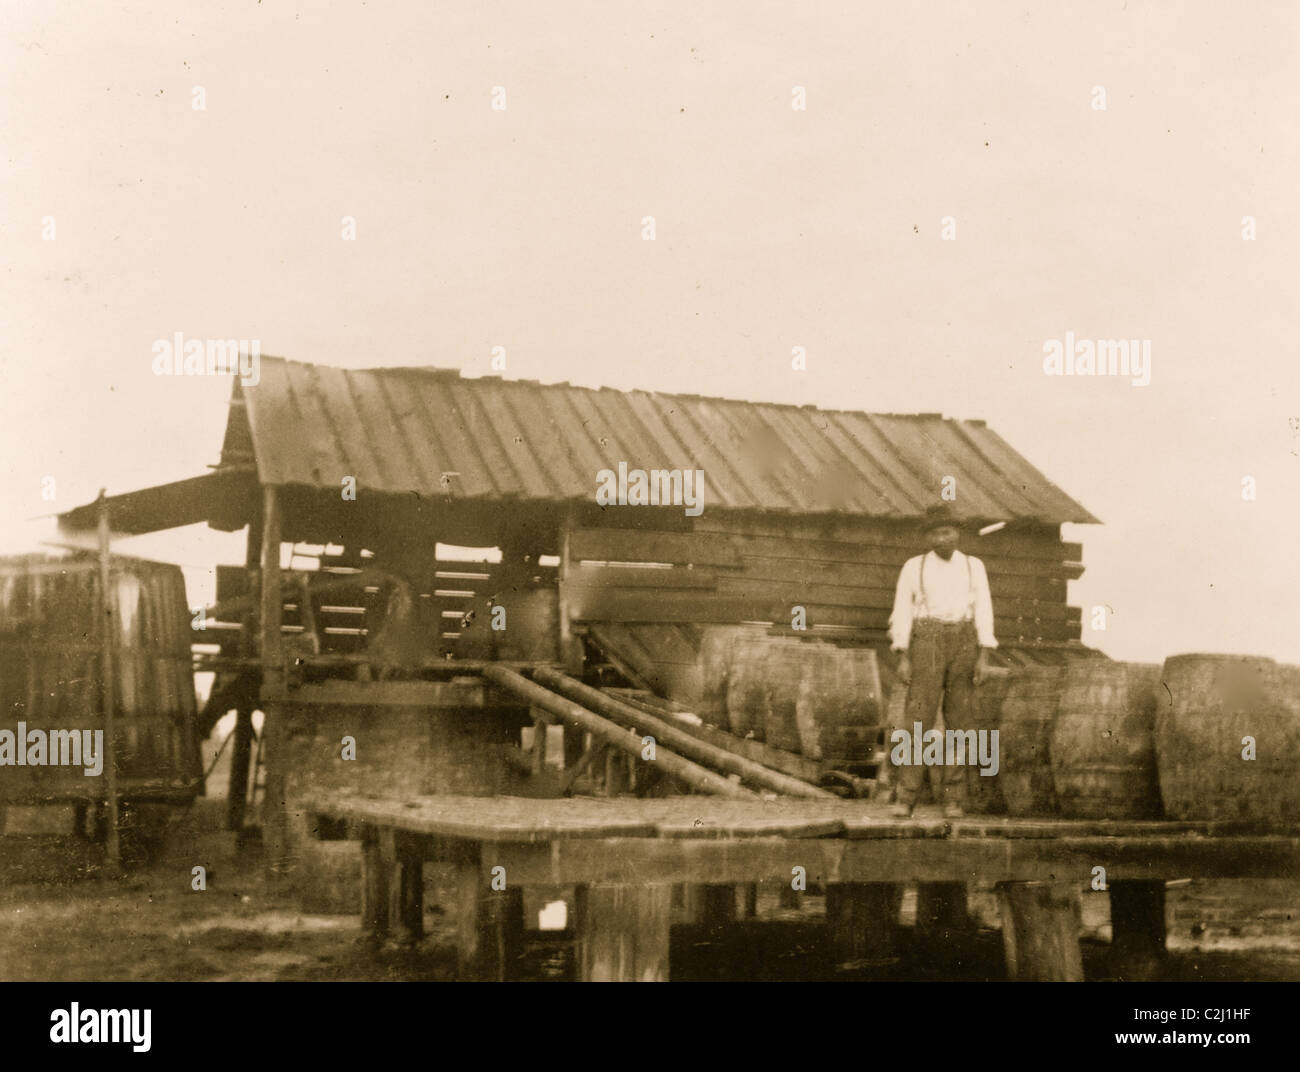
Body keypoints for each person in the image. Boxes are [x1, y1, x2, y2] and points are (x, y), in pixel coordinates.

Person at [887, 504, 997, 818]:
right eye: (935, 533)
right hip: (926, 641)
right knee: (917, 720)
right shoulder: (914, 567)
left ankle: (954, 799)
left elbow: (984, 611)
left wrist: (983, 656)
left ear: (957, 533)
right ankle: (906, 797)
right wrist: (904, 655)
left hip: (964, 642)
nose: (942, 539)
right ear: (928, 537)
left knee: (961, 722)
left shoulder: (974, 566)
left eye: (947, 531)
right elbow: (902, 611)